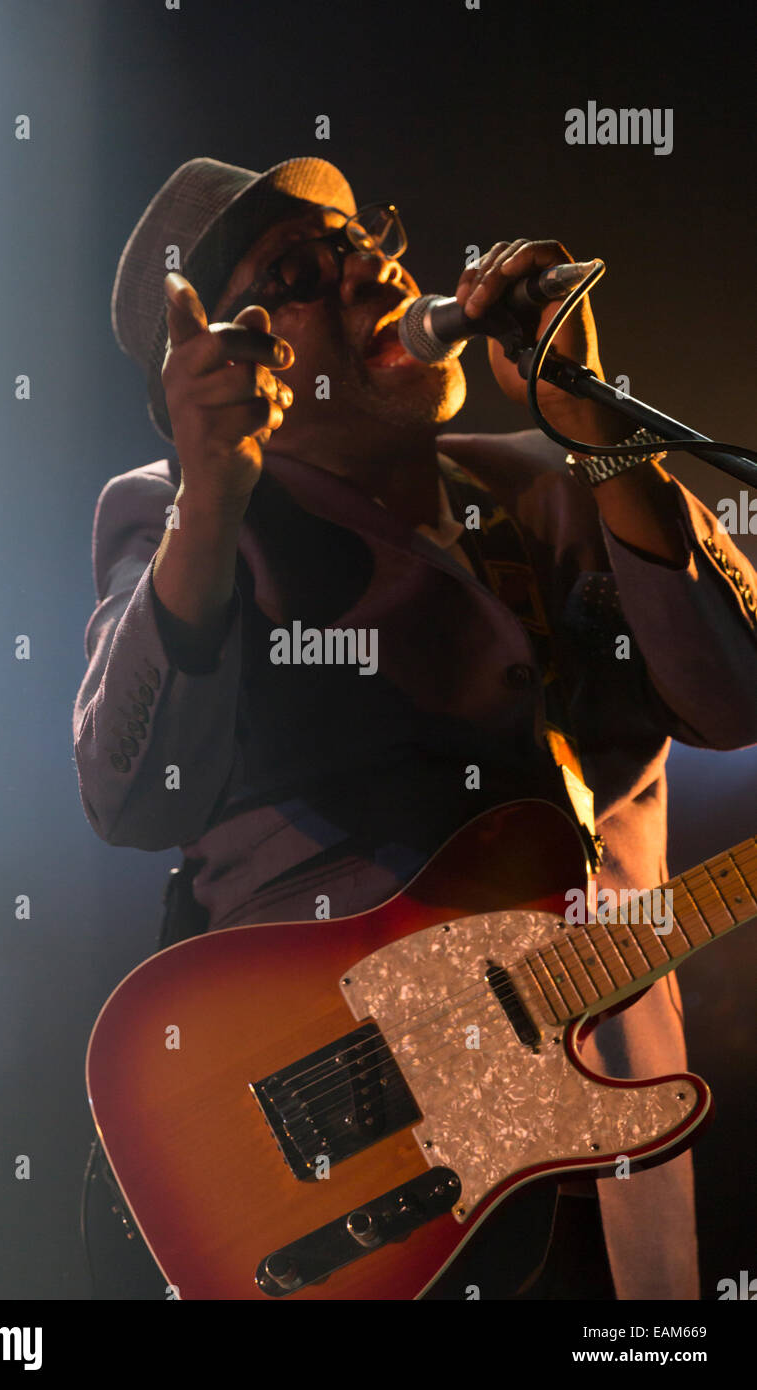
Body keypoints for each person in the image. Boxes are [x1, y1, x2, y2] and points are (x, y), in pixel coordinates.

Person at [74, 155, 757, 1300]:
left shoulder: (557, 479)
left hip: (605, 1166)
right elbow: (128, 792)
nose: (363, 268)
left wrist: (588, 417)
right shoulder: (181, 514)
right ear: (223, 367)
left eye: (359, 237)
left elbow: (732, 699)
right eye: (298, 271)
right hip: (342, 1186)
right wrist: (207, 501)